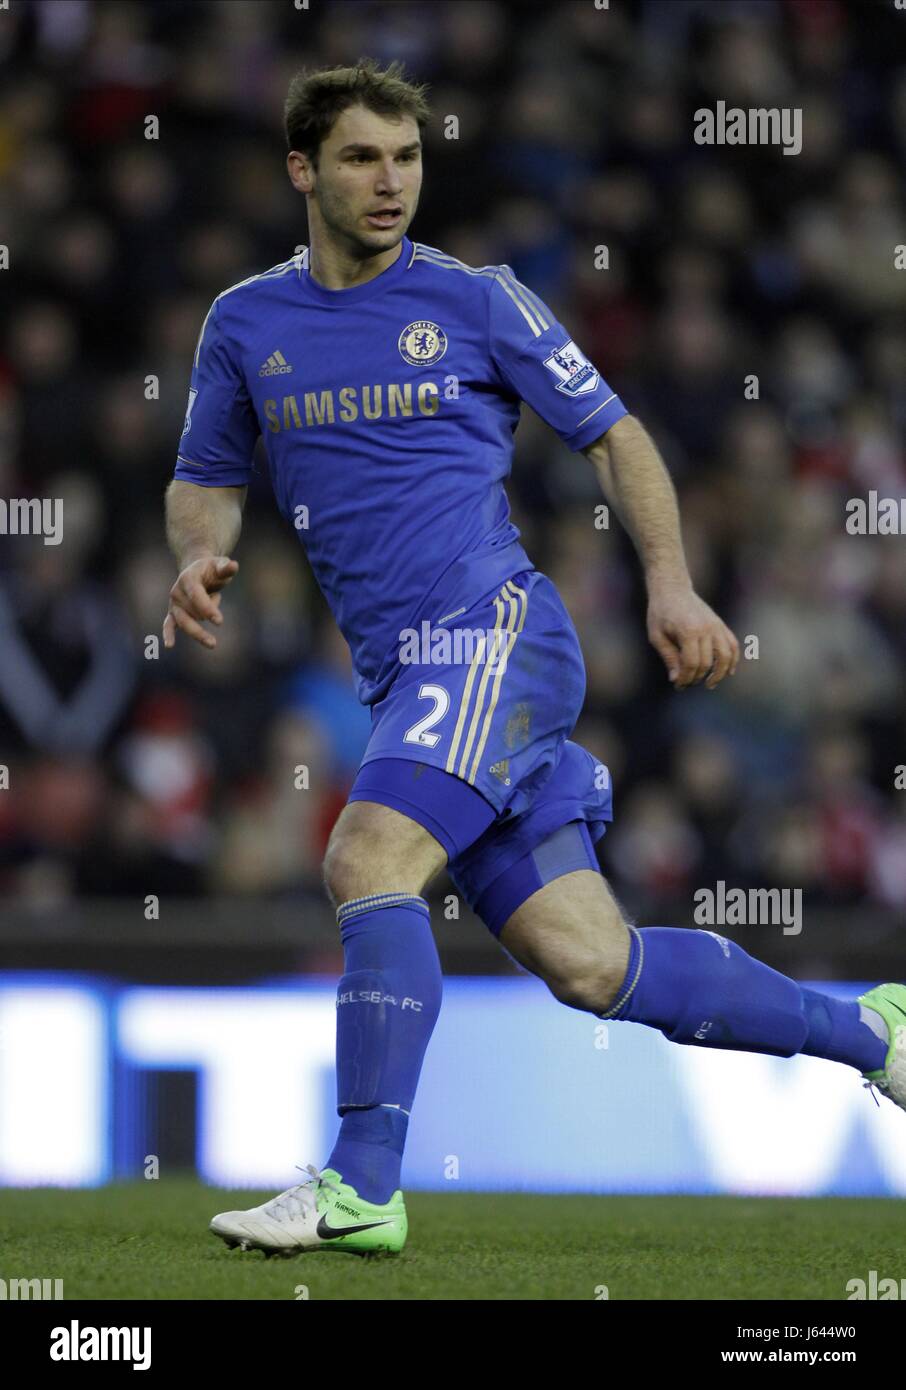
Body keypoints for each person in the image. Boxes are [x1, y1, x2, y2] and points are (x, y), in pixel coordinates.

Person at [163, 59, 906, 1257]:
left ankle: (360, 1186)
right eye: (360, 157)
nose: (390, 181)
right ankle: (872, 1029)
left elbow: (616, 439)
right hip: (407, 678)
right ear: (303, 169)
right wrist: (196, 558)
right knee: (592, 964)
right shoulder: (245, 324)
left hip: (494, 633)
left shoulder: (481, 300)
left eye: (407, 157)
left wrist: (669, 580)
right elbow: (204, 480)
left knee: (365, 858)